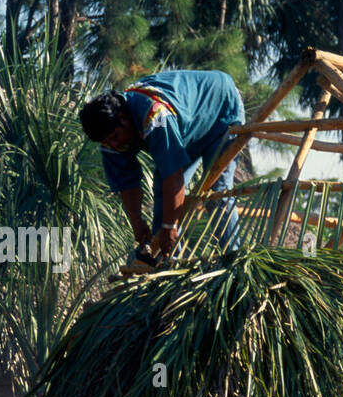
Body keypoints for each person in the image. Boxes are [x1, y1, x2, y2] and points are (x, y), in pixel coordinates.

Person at [79, 70, 245, 262]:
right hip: (187, 131)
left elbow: (173, 176)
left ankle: (234, 259)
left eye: (115, 137)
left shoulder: (155, 116)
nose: (115, 144)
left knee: (217, 192)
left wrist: (169, 227)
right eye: (109, 141)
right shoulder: (110, 139)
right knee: (161, 189)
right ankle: (166, 262)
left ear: (123, 117)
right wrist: (138, 223)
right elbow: (127, 185)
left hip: (220, 111)